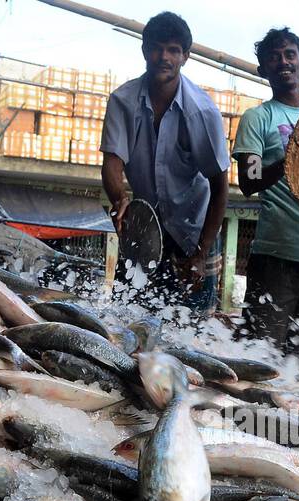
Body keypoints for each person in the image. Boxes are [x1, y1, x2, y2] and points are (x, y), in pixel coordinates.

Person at [101, 12, 231, 318]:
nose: (164, 57)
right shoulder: (122, 100)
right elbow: (112, 162)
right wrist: (120, 197)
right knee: (129, 320)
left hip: (195, 231)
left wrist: (201, 251)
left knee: (194, 329)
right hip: (145, 229)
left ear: (186, 56)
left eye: (173, 50)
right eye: (157, 48)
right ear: (145, 50)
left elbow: (220, 185)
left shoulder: (202, 111)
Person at [233, 27, 299, 371]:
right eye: (274, 57)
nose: (283, 62)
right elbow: (249, 181)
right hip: (275, 256)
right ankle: (245, 424)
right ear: (263, 69)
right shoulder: (258, 118)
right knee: (259, 359)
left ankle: (283, 425)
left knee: (297, 366)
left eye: (290, 54)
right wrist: (291, 158)